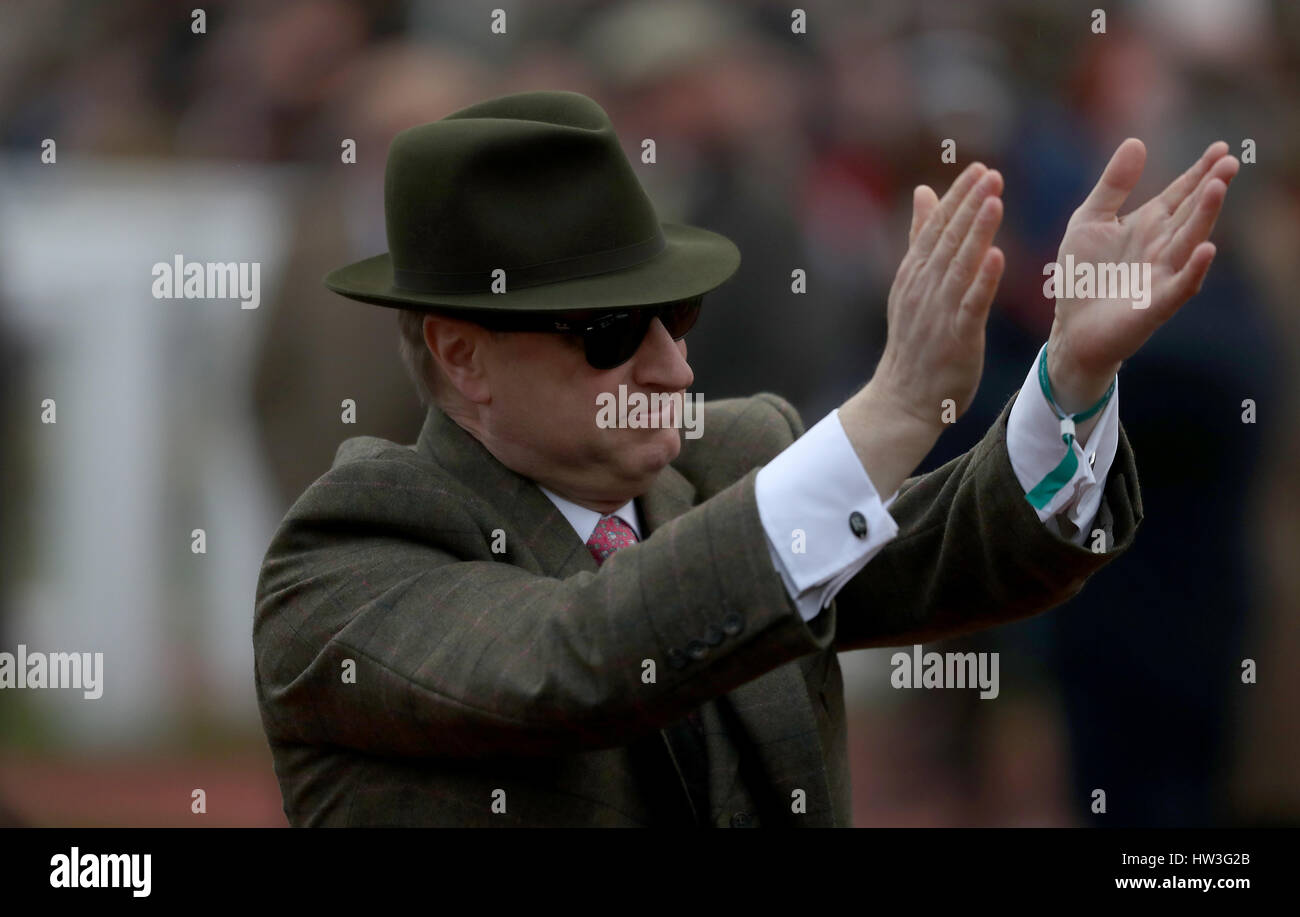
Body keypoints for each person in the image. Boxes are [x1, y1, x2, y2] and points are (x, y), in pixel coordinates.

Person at [252, 90, 1236, 827]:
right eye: (607, 331)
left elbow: (961, 553)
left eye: (676, 316)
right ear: (461, 355)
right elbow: (576, 655)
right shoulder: (345, 559)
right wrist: (894, 405)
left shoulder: (724, 465)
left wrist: (1069, 376)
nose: (672, 361)